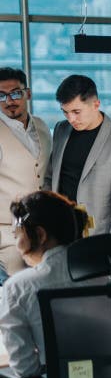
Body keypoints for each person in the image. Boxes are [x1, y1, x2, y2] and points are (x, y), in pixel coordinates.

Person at [0, 191, 93, 378]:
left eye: (17, 234)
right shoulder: (102, 276)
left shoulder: (18, 287)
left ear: (40, 235)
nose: (17, 244)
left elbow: (26, 368)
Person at [44, 75, 111, 235]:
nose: (71, 119)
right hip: (59, 228)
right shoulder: (61, 129)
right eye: (65, 112)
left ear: (96, 104)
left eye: (76, 112)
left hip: (97, 232)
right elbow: (50, 176)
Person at [0, 68, 52, 275]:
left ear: (27, 94)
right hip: (8, 234)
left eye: (15, 93)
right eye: (1, 95)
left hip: (43, 231)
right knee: (18, 291)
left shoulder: (41, 126)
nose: (9, 101)